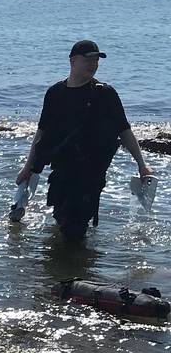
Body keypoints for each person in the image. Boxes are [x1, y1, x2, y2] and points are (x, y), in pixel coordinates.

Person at [16, 40, 152, 242]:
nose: (93, 64)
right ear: (72, 61)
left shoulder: (105, 94)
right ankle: (74, 268)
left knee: (74, 228)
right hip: (61, 172)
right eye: (88, 59)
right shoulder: (55, 93)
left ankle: (75, 270)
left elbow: (125, 131)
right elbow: (41, 133)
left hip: (90, 174)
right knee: (61, 220)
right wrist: (28, 168)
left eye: (96, 60)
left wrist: (142, 165)